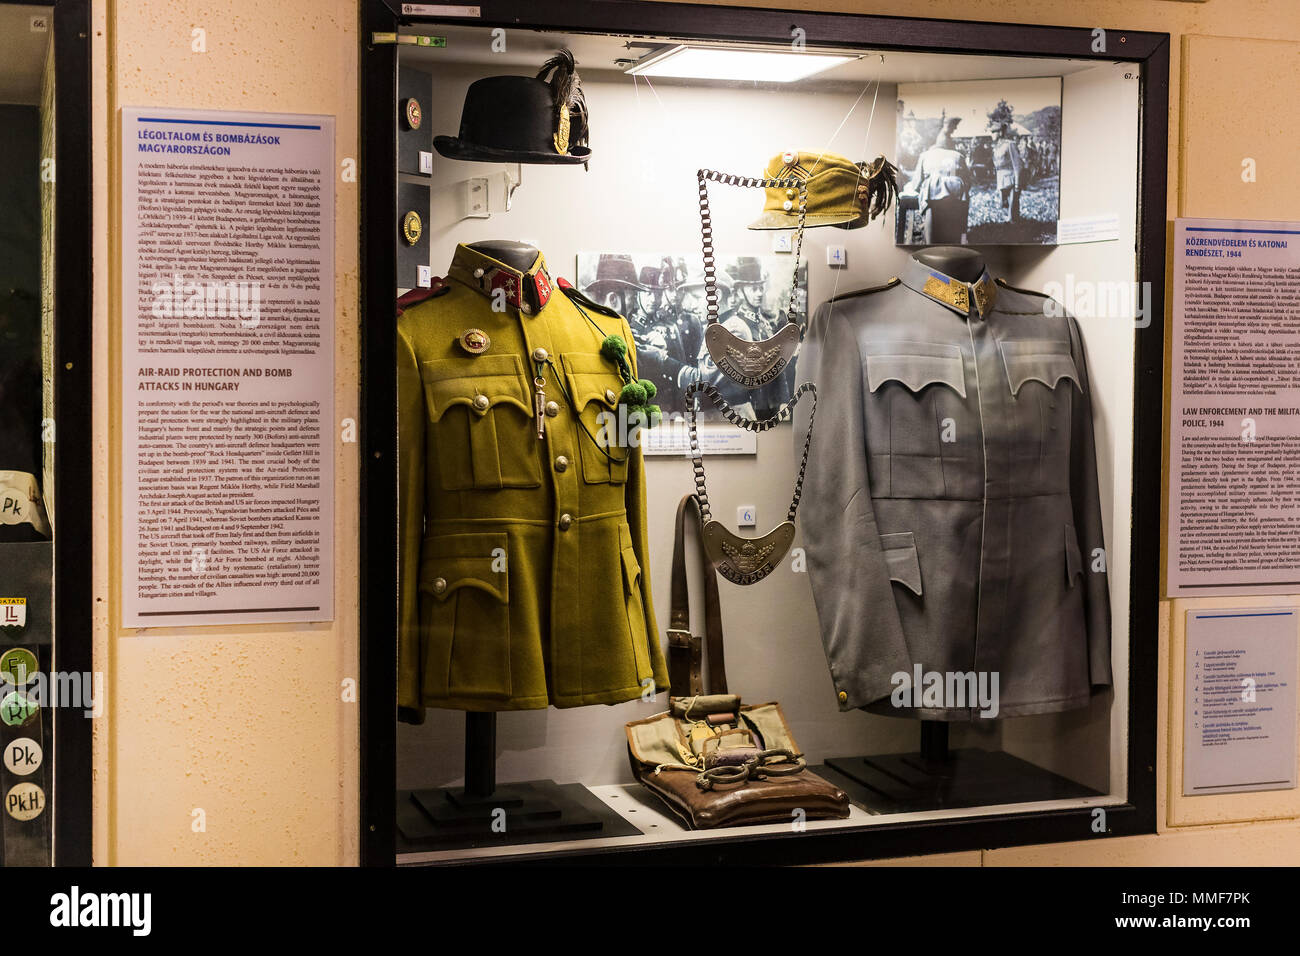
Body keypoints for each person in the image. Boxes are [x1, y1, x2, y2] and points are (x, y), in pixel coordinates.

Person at [902, 126, 971, 243]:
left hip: (933, 196)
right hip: (955, 196)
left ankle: (930, 241)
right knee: (958, 197)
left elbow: (917, 182)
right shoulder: (958, 156)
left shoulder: (925, 155)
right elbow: (967, 181)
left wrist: (916, 188)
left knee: (930, 192)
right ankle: (960, 237)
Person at [991, 122, 1024, 223]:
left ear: (1001, 132)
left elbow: (1017, 164)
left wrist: (1017, 182)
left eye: (994, 132)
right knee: (1003, 204)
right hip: (1001, 178)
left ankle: (1013, 224)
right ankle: (1008, 223)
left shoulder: (1009, 144)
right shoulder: (996, 147)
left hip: (1011, 178)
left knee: (1012, 205)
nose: (992, 134)